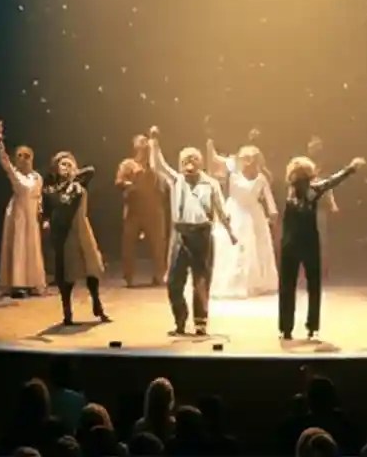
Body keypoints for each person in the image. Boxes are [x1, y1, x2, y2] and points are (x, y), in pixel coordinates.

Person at [149, 126, 236, 336]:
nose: (190, 163)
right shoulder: (176, 180)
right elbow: (158, 166)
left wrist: (230, 232)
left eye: (194, 159)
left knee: (201, 281)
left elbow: (221, 210)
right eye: (186, 159)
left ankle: (200, 323)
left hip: (202, 234)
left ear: (201, 162)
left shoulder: (211, 183)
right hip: (181, 234)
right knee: (173, 281)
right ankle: (180, 319)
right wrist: (154, 143)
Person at [279, 154, 365, 340]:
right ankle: (310, 326)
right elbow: (333, 181)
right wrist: (350, 169)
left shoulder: (294, 191)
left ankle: (288, 328)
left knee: (290, 286)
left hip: (291, 243)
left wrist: (350, 169)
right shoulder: (308, 191)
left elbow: (332, 182)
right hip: (306, 242)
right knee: (311, 285)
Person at [205, 139, 280, 298]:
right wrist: (210, 144)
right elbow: (215, 159)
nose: (248, 161)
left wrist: (273, 214)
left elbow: (268, 198)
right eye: (245, 158)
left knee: (255, 247)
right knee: (233, 247)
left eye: (251, 158)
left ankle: (255, 282)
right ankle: (233, 281)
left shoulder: (261, 178)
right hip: (235, 212)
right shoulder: (233, 172)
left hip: (254, 215)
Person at [42, 152, 110, 325]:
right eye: (62, 165)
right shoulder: (52, 190)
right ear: (55, 169)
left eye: (69, 164)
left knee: (92, 268)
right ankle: (67, 312)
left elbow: (91, 171)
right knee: (67, 274)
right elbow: (52, 207)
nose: (66, 167)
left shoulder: (79, 183)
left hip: (83, 229)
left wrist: (73, 176)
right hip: (66, 233)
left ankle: (97, 305)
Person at [0, 120, 47, 298]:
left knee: (32, 246)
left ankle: (32, 281)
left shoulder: (37, 177)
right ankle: (18, 283)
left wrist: (40, 211)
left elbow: (39, 196)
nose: (24, 159)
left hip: (31, 213)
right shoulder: (14, 173)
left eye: (27, 156)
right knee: (19, 245)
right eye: (20, 156)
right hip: (18, 213)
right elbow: (4, 161)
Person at [116, 134, 168, 288]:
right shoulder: (128, 164)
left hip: (153, 209)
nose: (144, 145)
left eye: (146, 143)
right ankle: (128, 276)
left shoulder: (154, 165)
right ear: (134, 146)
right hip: (134, 209)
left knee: (158, 244)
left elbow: (163, 181)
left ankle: (159, 275)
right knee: (129, 244)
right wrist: (132, 184)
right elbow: (118, 182)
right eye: (141, 142)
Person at [307, 136, 339, 281]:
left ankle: (321, 270)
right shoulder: (303, 165)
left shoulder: (324, 167)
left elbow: (328, 188)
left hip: (318, 209)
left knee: (320, 239)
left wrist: (332, 204)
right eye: (313, 145)